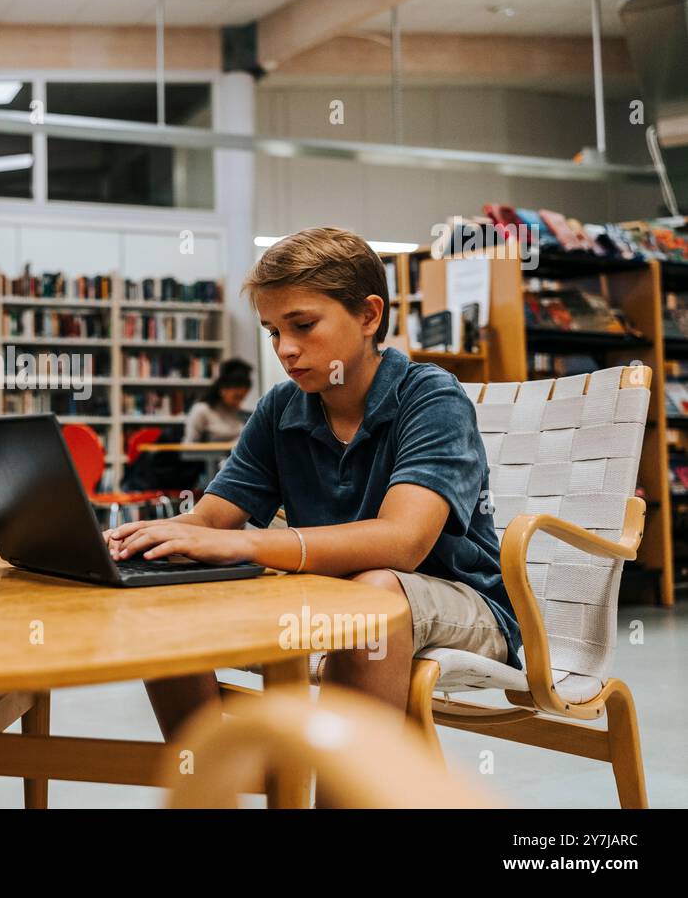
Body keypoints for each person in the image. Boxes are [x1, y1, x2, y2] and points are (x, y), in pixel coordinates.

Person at [104, 227, 519, 741]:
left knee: (374, 593)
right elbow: (211, 519)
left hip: (463, 601)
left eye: (303, 325)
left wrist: (238, 542)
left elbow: (402, 543)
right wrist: (151, 538)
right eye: (274, 331)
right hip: (330, 595)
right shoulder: (281, 407)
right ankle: (206, 784)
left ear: (369, 315)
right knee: (160, 580)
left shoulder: (430, 397)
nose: (286, 349)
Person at [183, 358, 252, 443]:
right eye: (236, 397)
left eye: (242, 398)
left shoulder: (239, 412)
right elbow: (188, 447)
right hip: (208, 456)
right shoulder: (202, 411)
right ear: (223, 390)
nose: (239, 402)